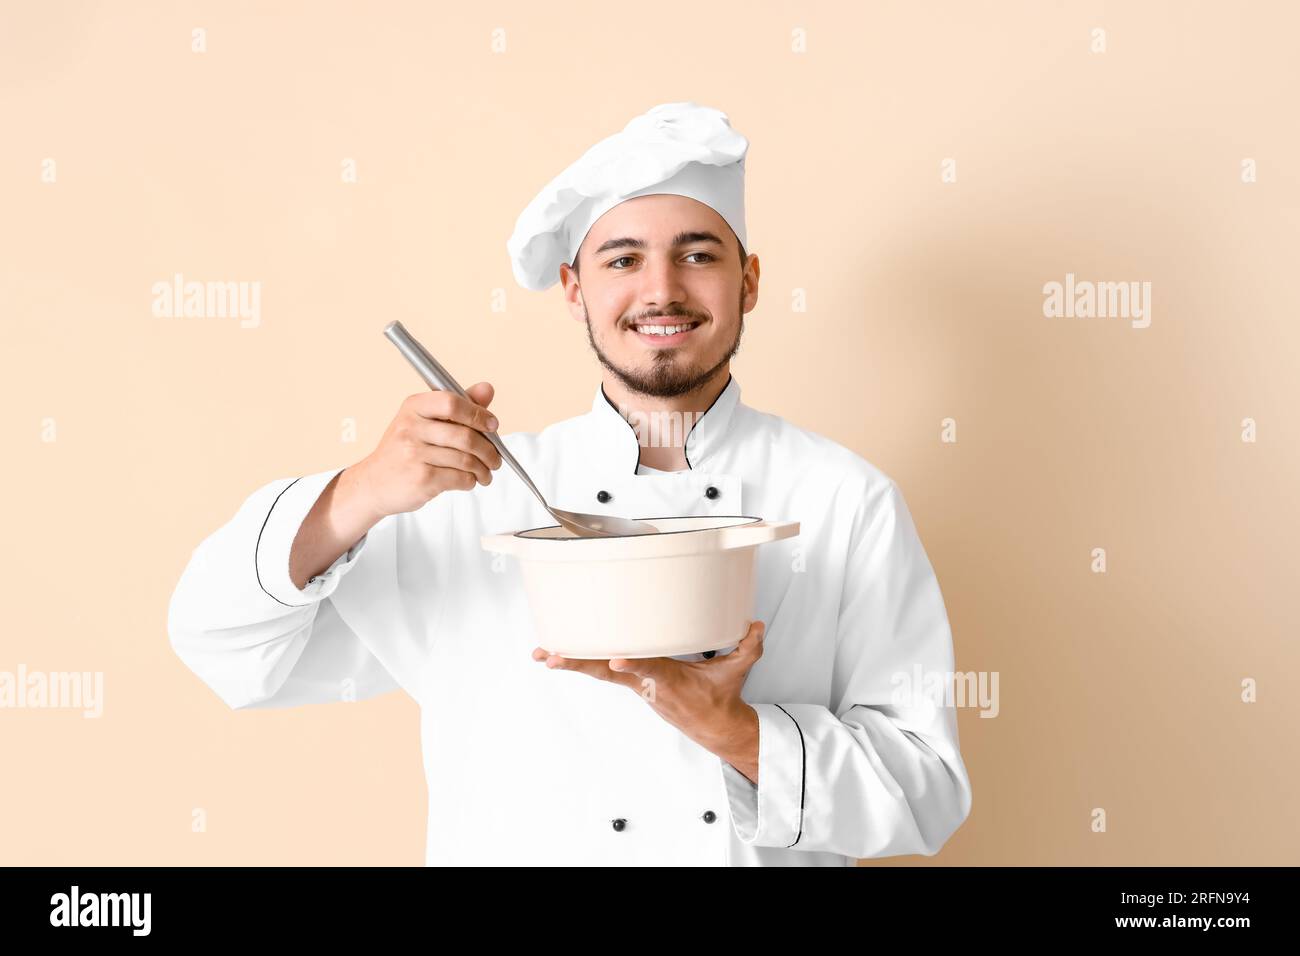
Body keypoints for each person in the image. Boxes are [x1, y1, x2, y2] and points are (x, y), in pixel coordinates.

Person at [168, 101, 972, 866]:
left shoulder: (844, 497)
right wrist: (361, 491)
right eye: (622, 259)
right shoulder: (475, 494)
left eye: (698, 254)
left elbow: (927, 791)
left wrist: (731, 729)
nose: (661, 290)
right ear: (575, 290)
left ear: (750, 282)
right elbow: (222, 645)